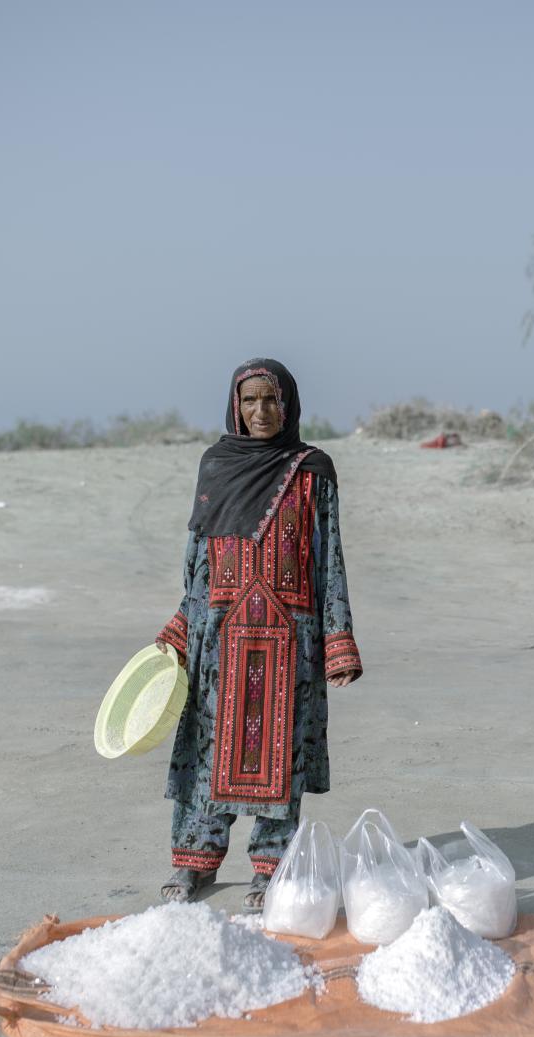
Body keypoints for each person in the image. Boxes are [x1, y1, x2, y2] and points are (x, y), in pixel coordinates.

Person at [154, 358, 362, 909]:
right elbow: (197, 555)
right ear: (235, 407)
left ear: (288, 405)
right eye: (250, 401)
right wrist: (181, 625)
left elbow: (330, 557)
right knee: (209, 748)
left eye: (271, 400)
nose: (261, 411)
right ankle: (193, 860)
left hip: (289, 637)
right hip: (218, 634)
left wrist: (338, 638)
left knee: (280, 753)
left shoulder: (311, 469)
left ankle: (272, 867)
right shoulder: (216, 465)